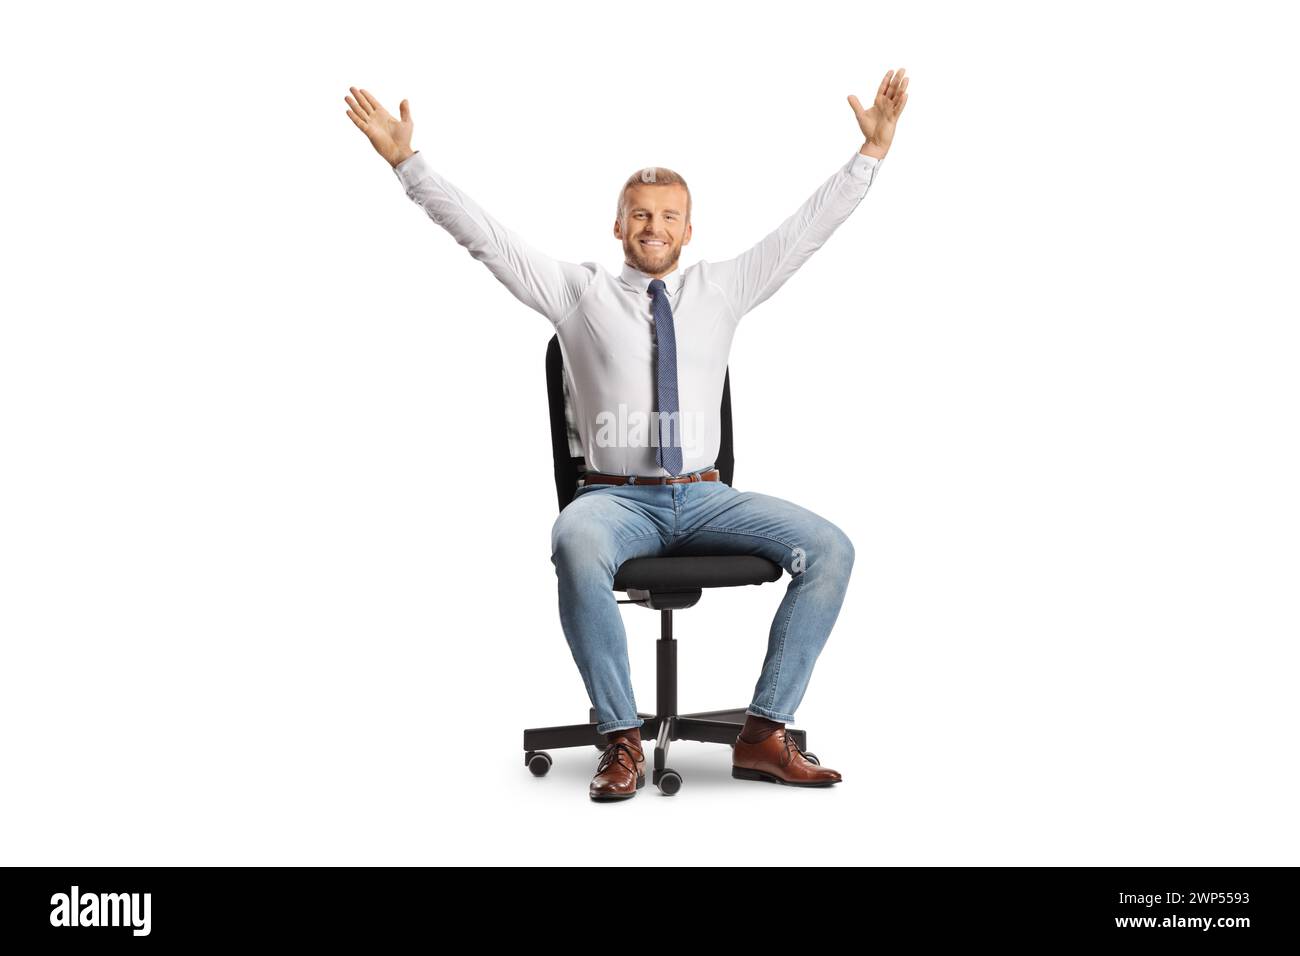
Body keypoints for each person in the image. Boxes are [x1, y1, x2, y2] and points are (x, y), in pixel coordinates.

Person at [344, 70, 909, 801]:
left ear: (689, 228)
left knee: (830, 548)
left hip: (707, 500)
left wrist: (869, 155)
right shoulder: (576, 293)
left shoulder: (725, 288)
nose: (654, 228)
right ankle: (619, 739)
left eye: (669, 216)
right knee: (574, 540)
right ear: (618, 225)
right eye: (639, 215)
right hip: (616, 503)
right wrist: (406, 164)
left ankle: (766, 732)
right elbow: (485, 238)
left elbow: (806, 230)